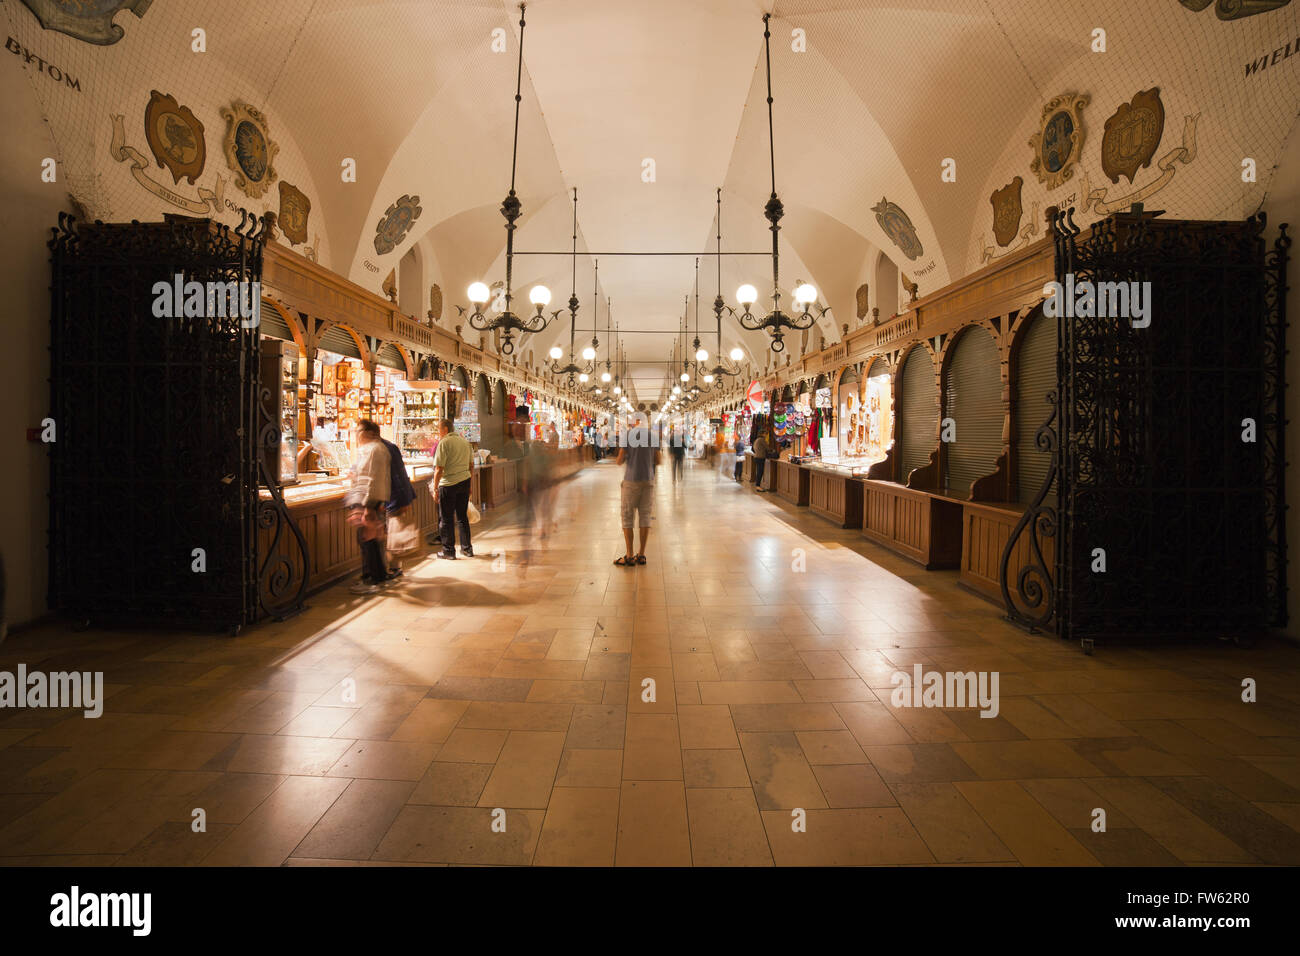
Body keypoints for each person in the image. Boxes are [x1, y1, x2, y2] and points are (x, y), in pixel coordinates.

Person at [348, 419, 391, 593]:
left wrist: (368, 506)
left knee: (368, 539)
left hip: (370, 501)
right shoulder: (370, 450)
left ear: (368, 432)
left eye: (359, 431)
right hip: (369, 500)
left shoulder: (375, 450)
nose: (357, 434)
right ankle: (376, 576)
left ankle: (374, 579)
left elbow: (373, 478)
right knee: (369, 539)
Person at [614, 412, 660, 566]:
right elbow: (658, 460)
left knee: (627, 516)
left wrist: (628, 456)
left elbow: (619, 460)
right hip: (648, 480)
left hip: (631, 481)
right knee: (645, 516)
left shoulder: (628, 435)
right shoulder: (653, 436)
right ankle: (641, 554)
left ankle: (629, 555)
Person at [431, 418, 474, 559]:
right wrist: (470, 485)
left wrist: (435, 488)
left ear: (445, 429)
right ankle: (467, 549)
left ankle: (448, 551)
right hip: (464, 482)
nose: (438, 433)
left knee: (447, 518)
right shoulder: (465, 442)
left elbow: (439, 468)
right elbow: (471, 465)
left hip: (448, 484)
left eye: (439, 429)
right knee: (462, 517)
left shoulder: (444, 443)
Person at [381, 433, 417, 580]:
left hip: (393, 498)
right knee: (391, 533)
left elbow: (396, 475)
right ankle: (394, 566)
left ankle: (395, 567)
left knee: (394, 533)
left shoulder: (382, 449)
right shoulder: (390, 447)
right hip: (395, 497)